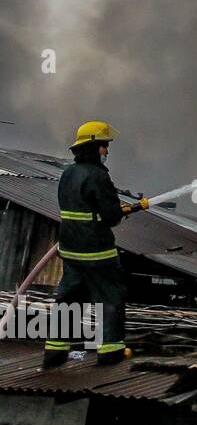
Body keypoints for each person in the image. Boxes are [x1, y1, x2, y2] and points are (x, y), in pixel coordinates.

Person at [42, 121, 147, 368]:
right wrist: (126, 210)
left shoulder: (68, 173)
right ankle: (110, 352)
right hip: (97, 252)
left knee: (68, 300)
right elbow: (110, 216)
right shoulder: (98, 176)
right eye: (104, 146)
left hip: (71, 250)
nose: (107, 151)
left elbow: (82, 209)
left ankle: (54, 353)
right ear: (93, 147)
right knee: (110, 297)